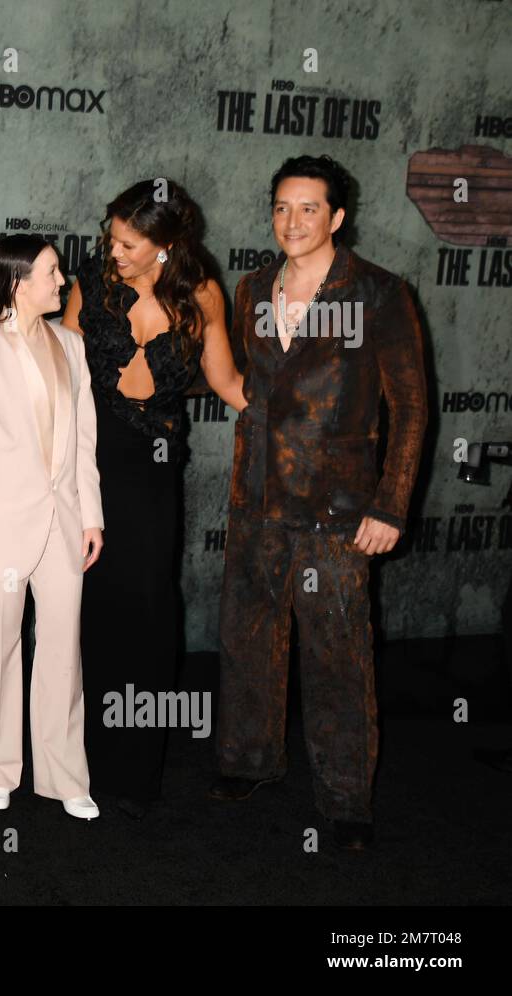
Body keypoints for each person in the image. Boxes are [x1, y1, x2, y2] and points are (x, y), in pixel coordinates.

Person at [209, 155, 428, 850]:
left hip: (337, 512)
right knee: (247, 641)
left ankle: (345, 799)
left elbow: (410, 407)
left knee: (338, 657)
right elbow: (250, 387)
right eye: (281, 207)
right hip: (256, 498)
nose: (292, 221)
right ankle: (249, 760)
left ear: (337, 217)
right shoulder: (252, 289)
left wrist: (390, 505)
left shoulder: (378, 294)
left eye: (308, 208)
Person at [60, 179, 246, 821]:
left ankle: (135, 765)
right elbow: (61, 376)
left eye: (129, 244)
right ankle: (75, 758)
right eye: (112, 238)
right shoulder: (91, 284)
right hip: (87, 460)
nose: (114, 251)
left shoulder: (202, 295)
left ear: (165, 246)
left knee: (147, 606)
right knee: (85, 605)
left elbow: (227, 381)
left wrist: (299, 414)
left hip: (153, 467)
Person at [0, 235, 104, 818]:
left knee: (63, 655)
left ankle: (65, 776)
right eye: (51, 272)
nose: (62, 280)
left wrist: (91, 516)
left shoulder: (72, 345)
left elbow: (84, 442)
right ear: (18, 282)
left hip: (64, 523)